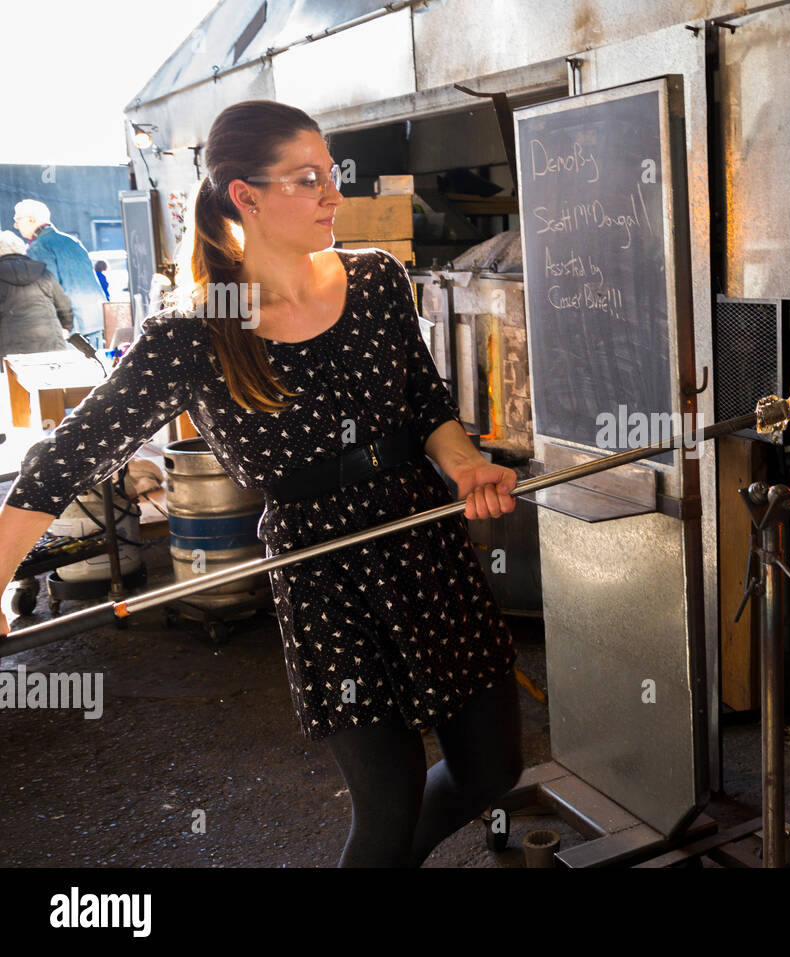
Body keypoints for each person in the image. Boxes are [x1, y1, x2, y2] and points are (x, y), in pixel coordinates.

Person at [0, 99, 523, 867]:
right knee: (388, 799)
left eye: (329, 175)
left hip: (420, 535)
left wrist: (465, 463)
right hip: (321, 569)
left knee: (492, 768)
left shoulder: (377, 280)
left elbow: (426, 405)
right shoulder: (195, 327)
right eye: (307, 180)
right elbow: (61, 458)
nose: (332, 193)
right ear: (244, 194)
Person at [12, 199, 108, 351]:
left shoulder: (38, 247)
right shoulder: (71, 241)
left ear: (31, 219)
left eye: (17, 220)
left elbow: (46, 288)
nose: (15, 225)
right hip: (96, 318)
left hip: (70, 324)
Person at [0, 229, 74, 355]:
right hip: (50, 342)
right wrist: (66, 327)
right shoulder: (43, 272)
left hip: (9, 347)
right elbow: (64, 305)